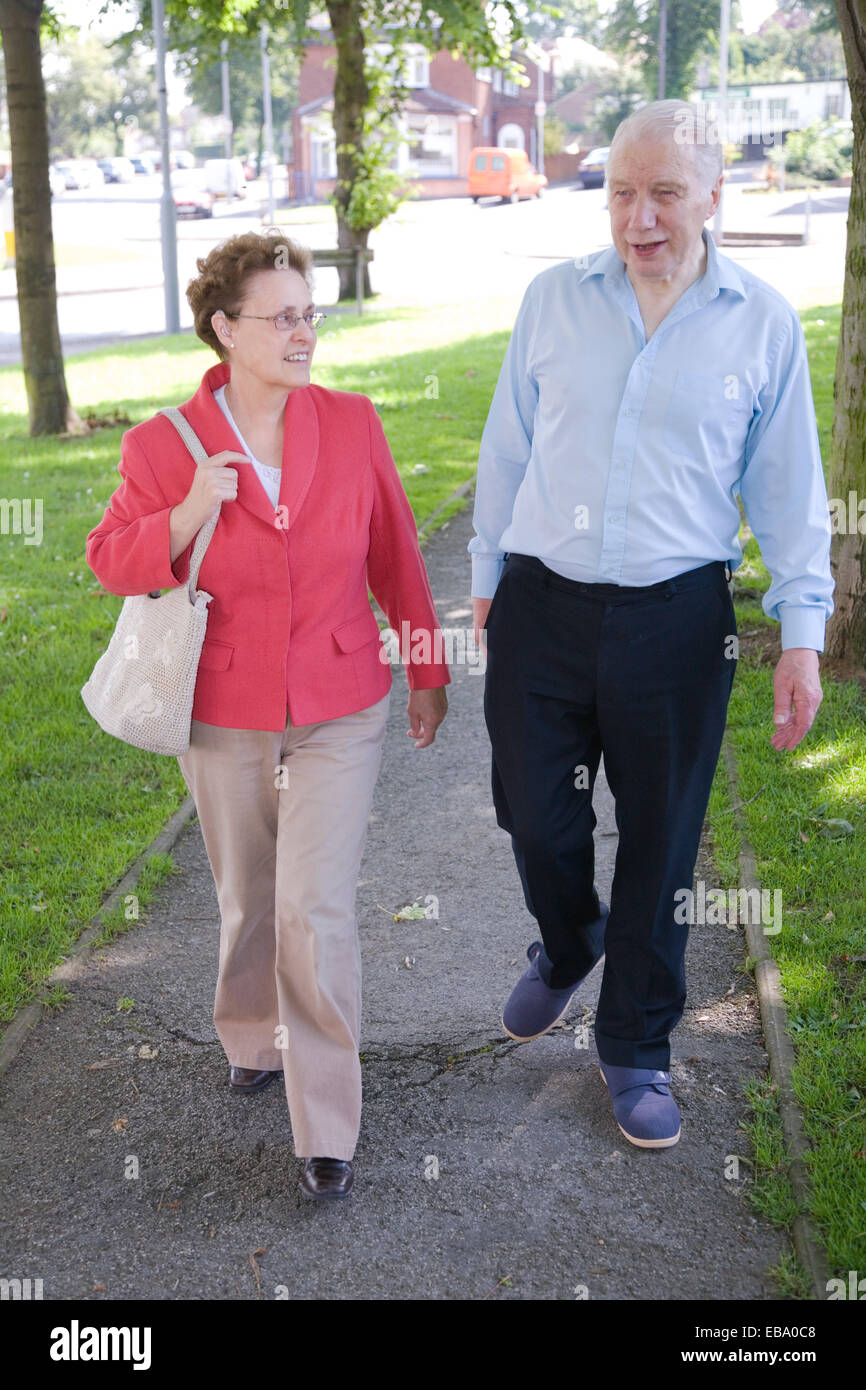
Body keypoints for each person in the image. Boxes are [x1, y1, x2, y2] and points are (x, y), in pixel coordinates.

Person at [469, 99, 833, 1149]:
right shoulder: (552, 299)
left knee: (662, 843)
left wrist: (798, 632)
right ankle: (566, 940)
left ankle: (634, 1044)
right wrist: (489, 579)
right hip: (541, 600)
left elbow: (786, 490)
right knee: (534, 814)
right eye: (620, 192)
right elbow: (506, 448)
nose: (637, 217)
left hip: (677, 618)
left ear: (714, 194)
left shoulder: (758, 321)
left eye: (663, 193)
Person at [86, 230, 450, 1198]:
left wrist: (426, 664)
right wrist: (188, 512)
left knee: (311, 907)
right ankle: (250, 1034)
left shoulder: (352, 421)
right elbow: (109, 559)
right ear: (224, 329)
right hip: (223, 709)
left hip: (339, 703)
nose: (302, 332)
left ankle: (324, 1123)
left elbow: (395, 555)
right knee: (249, 894)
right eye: (280, 316)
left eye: (308, 314)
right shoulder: (162, 443)